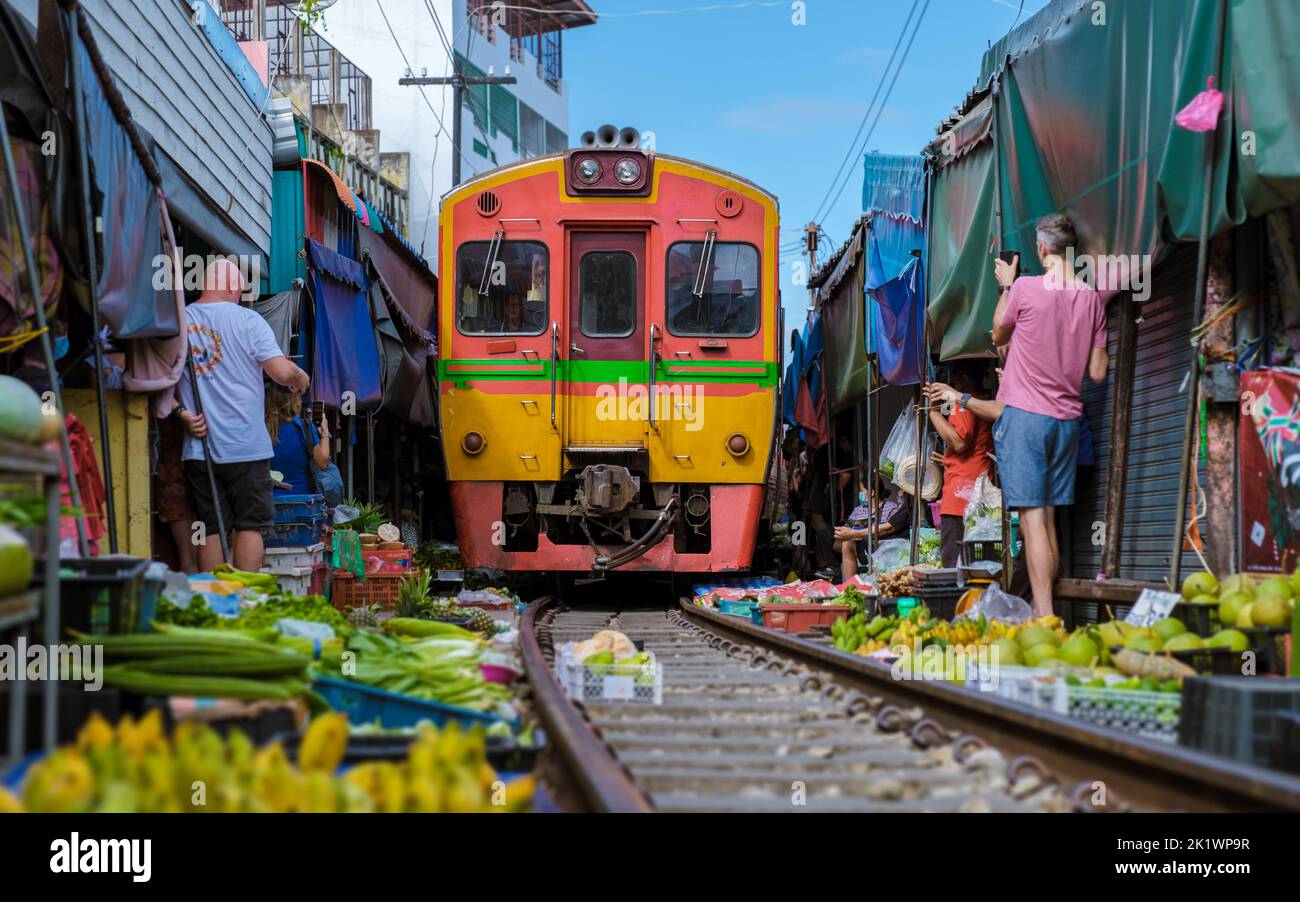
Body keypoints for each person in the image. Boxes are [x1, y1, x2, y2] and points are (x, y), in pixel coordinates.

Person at [985, 214, 1107, 616]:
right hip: (1067, 421)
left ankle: (1044, 615)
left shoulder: (1025, 288)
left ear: (1041, 249)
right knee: (1050, 521)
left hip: (1025, 418)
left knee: (1033, 521)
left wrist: (1005, 285)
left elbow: (998, 336)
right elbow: (1097, 372)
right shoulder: (1091, 299)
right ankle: (1047, 613)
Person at [177, 258, 310, 573]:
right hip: (246, 446)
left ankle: (215, 599)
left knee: (211, 527)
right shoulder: (249, 321)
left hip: (200, 448)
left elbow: (161, 379)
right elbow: (280, 373)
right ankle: (244, 602)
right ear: (232, 286)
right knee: (250, 525)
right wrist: (299, 377)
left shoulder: (179, 321)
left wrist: (181, 413)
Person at [927, 361, 995, 568]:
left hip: (960, 498)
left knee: (953, 563)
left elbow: (959, 442)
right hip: (976, 492)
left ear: (964, 380)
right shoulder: (982, 400)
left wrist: (933, 413)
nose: (950, 386)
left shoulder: (964, 403)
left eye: (953, 381)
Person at [833, 475, 911, 579]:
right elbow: (846, 532)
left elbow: (888, 530)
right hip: (861, 546)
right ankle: (850, 586)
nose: (860, 494)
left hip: (882, 545)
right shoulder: (858, 510)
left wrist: (855, 534)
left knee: (850, 543)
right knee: (846, 543)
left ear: (872, 492)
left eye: (862, 491)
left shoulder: (891, 508)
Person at [266, 385, 330, 495]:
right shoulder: (304, 427)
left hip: (268, 501)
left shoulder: (262, 427)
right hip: (302, 502)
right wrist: (324, 433)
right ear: (294, 400)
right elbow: (323, 462)